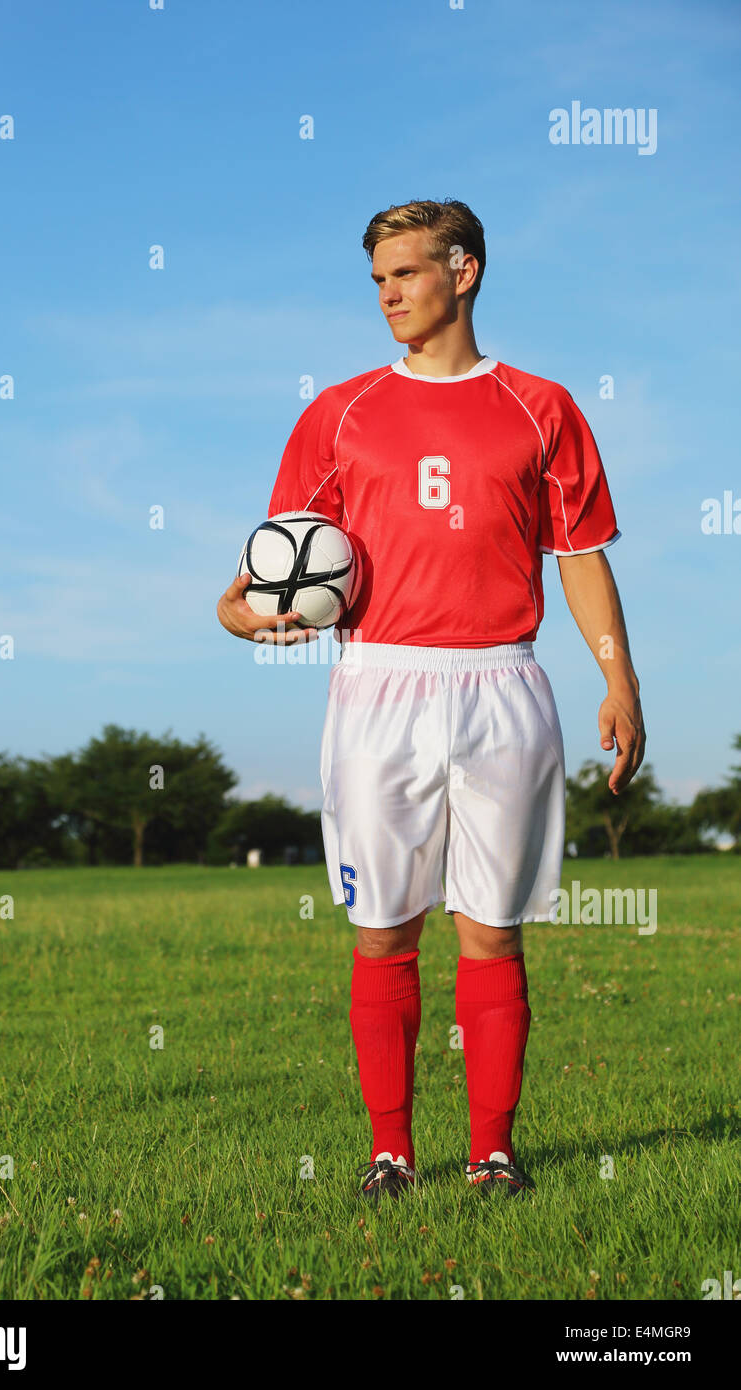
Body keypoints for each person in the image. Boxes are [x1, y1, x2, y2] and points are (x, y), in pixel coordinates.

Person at [217, 199, 645, 1200]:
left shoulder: (542, 406)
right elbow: (274, 570)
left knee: (492, 928)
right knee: (383, 928)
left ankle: (493, 1152)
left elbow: (577, 555)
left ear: (465, 271)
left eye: (404, 274)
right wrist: (246, 619)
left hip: (501, 677)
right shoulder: (337, 413)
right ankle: (390, 1151)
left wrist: (617, 675)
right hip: (376, 681)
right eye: (375, 280)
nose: (386, 297)